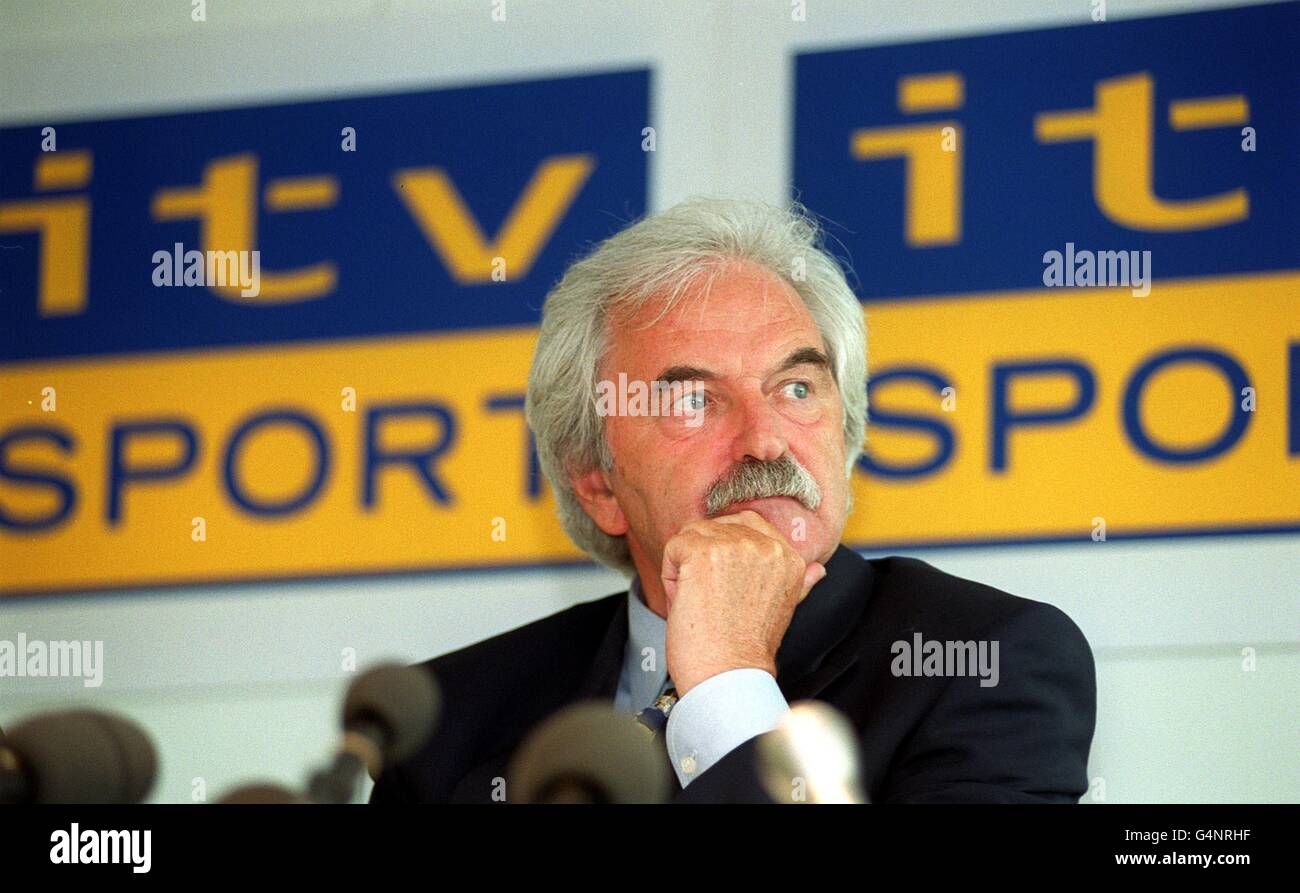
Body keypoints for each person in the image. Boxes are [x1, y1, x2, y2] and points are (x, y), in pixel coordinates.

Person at [371, 197, 1095, 803]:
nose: (767, 441)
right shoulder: (442, 722)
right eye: (695, 399)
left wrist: (728, 686)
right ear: (599, 482)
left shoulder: (982, 664)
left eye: (797, 388)